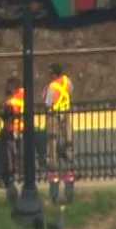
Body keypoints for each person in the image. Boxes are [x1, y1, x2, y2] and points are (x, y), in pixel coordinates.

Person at [44, 63, 76, 195]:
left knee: (52, 141)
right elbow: (71, 91)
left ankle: (54, 169)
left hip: (54, 115)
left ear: (53, 74)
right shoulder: (67, 81)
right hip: (66, 113)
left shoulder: (52, 87)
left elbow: (48, 103)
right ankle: (69, 166)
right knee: (68, 139)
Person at [1, 76, 25, 189]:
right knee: (21, 152)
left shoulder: (10, 102)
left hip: (12, 129)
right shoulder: (24, 95)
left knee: (11, 153)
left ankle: (11, 176)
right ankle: (21, 173)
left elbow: (7, 117)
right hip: (24, 128)